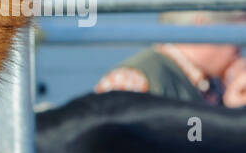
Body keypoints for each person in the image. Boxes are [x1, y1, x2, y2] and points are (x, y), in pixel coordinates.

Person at [94, 11, 246, 108]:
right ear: (202, 27)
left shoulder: (215, 85)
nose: (241, 47)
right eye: (236, 34)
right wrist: (231, 117)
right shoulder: (133, 81)